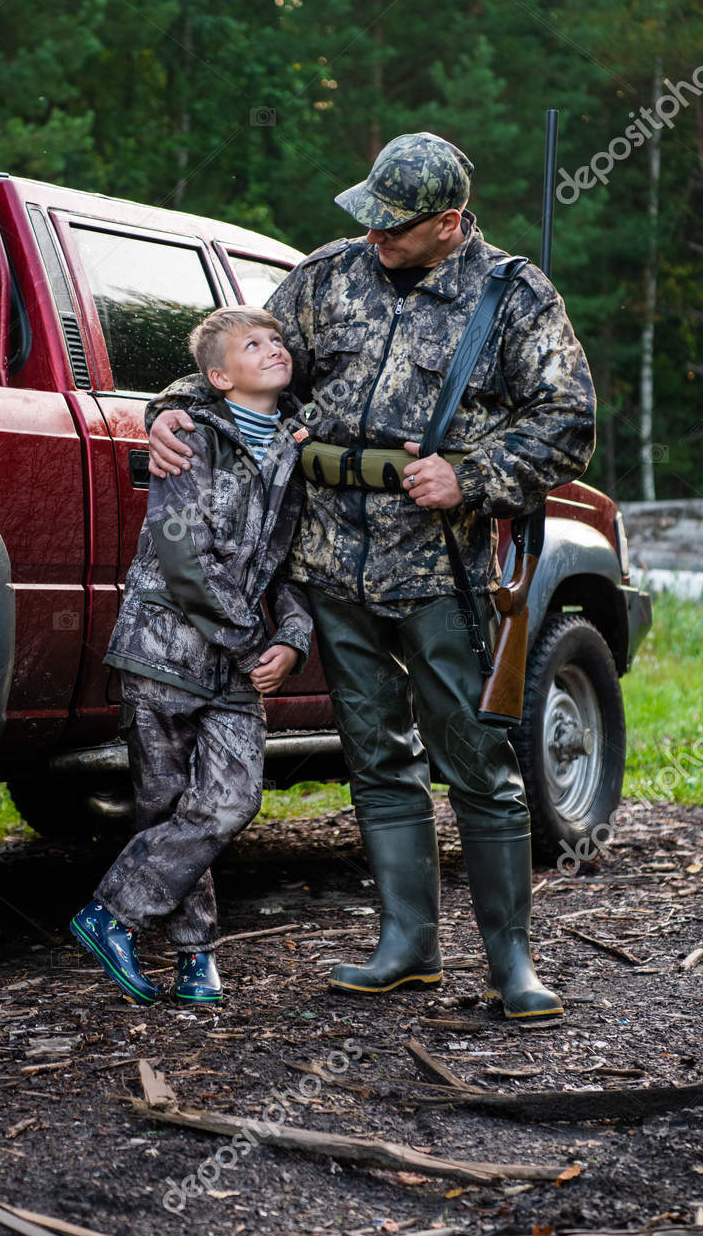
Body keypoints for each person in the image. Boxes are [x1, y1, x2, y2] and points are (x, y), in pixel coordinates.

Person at [144, 132, 597, 1023]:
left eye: (396, 228)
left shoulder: (511, 297)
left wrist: (471, 475)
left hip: (445, 573)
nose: (376, 238)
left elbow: (566, 419)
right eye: (372, 221)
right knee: (375, 758)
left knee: (476, 762)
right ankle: (406, 947)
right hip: (330, 565)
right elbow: (238, 360)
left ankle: (510, 963)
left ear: (449, 223)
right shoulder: (326, 278)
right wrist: (168, 410)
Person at [70, 306, 313, 1008]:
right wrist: (248, 640)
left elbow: (293, 564)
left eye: (275, 341)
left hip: (235, 663)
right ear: (216, 375)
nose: (272, 350)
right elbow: (181, 554)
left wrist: (290, 639)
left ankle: (109, 915)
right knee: (164, 806)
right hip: (162, 654)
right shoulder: (189, 438)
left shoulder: (297, 446)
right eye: (252, 345)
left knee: (229, 802)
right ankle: (194, 957)